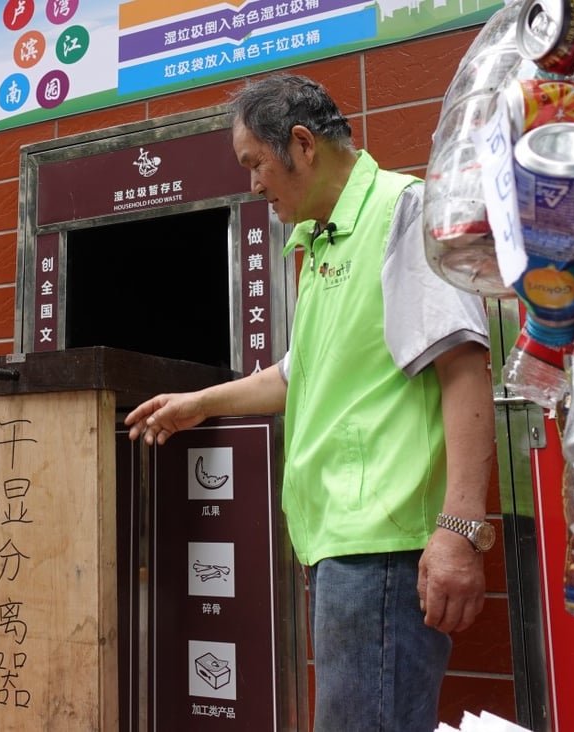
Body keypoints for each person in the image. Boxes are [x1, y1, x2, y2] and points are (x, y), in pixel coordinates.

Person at [125, 74, 495, 732]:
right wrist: (200, 403)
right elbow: (302, 373)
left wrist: (459, 532)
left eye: (255, 164)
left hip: (382, 547)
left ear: (301, 144)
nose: (254, 185)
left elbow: (464, 365)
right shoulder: (322, 243)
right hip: (340, 545)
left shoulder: (400, 211)